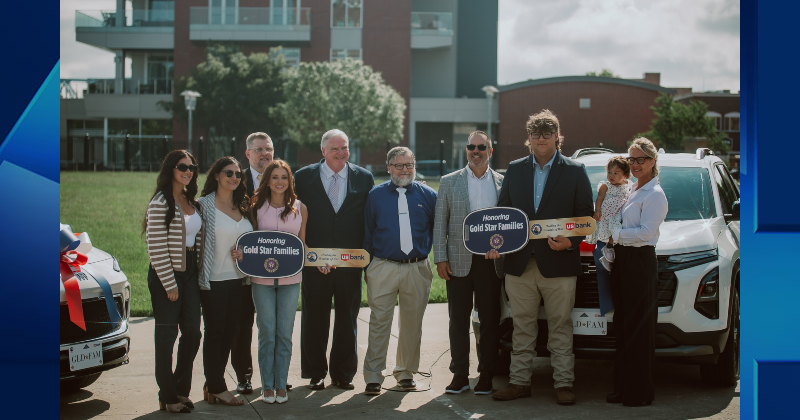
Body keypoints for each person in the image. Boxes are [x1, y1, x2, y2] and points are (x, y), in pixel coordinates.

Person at [488, 109, 593, 405]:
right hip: (519, 264)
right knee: (522, 327)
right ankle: (519, 382)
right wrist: (497, 241)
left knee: (560, 326)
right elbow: (504, 213)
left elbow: (584, 216)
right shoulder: (515, 169)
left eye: (547, 133)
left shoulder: (575, 170)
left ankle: (563, 384)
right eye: (536, 133)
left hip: (560, 263)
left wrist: (570, 241)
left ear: (557, 136)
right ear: (529, 138)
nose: (541, 138)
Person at [294, 129, 375, 390]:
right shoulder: (303, 177)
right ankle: (315, 372)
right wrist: (307, 253)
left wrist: (366, 259)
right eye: (334, 148)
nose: (341, 153)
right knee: (314, 318)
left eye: (345, 148)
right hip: (316, 262)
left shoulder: (364, 178)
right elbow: (295, 216)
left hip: (350, 263)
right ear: (323, 151)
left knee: (347, 319)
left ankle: (343, 374)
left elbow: (368, 220)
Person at [231, 159, 309, 404]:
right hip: (261, 280)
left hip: (291, 280)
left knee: (285, 334)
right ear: (267, 180)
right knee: (267, 333)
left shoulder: (300, 208)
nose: (279, 182)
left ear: (290, 181)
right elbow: (249, 242)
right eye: (274, 177)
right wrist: (240, 254)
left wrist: (320, 260)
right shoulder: (255, 208)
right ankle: (266, 386)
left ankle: (281, 385)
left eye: (284, 177)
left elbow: (302, 245)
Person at [362, 147, 438, 396]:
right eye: (399, 165)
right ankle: (373, 376)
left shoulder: (428, 195)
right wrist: (368, 266)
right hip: (383, 266)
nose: (405, 170)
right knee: (379, 322)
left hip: (417, 267)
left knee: (412, 323)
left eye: (409, 165)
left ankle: (405, 372)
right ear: (389, 168)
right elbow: (368, 231)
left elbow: (437, 230)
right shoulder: (376, 195)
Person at [433, 131, 504, 395]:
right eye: (471, 147)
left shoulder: (502, 183)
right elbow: (440, 223)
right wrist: (440, 257)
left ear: (490, 151)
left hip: (491, 263)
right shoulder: (449, 182)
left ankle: (486, 375)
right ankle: (459, 375)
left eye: (481, 147)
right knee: (458, 321)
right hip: (457, 262)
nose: (476, 151)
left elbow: (506, 225)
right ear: (466, 150)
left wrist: (502, 249)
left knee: (489, 321)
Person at [606, 138, 668, 407]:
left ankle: (639, 392)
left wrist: (614, 235)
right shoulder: (631, 189)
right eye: (631, 159)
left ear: (653, 161)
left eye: (640, 159)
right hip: (622, 260)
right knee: (623, 326)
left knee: (639, 330)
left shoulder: (655, 194)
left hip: (640, 262)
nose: (634, 164)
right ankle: (622, 387)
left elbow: (646, 234)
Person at [143, 150, 203, 414]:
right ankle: (168, 396)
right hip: (166, 274)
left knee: (193, 333)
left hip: (190, 273)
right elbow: (155, 248)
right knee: (166, 337)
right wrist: (169, 284)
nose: (188, 171)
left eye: (192, 167)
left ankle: (179, 388)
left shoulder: (191, 201)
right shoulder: (161, 203)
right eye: (182, 166)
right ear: (171, 169)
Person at [197, 157, 253, 406]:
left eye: (238, 174)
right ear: (216, 176)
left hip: (239, 280)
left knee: (231, 332)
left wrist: (245, 255)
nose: (234, 178)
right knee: (215, 332)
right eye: (228, 173)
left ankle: (212, 385)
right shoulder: (203, 206)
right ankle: (218, 386)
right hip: (214, 279)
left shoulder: (243, 205)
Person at [231, 132, 275, 395]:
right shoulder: (235, 179)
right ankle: (244, 376)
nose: (264, 154)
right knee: (243, 324)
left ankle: (274, 375)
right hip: (243, 265)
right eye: (258, 149)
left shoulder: (282, 178)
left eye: (268, 149)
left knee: (274, 324)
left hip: (275, 264)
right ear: (248, 154)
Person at [586, 156, 633, 316]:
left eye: (616, 173)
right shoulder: (605, 186)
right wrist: (597, 211)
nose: (611, 176)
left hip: (620, 223)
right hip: (605, 219)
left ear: (625, 175)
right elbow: (598, 200)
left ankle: (611, 248)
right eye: (609, 172)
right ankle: (607, 250)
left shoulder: (629, 187)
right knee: (606, 236)